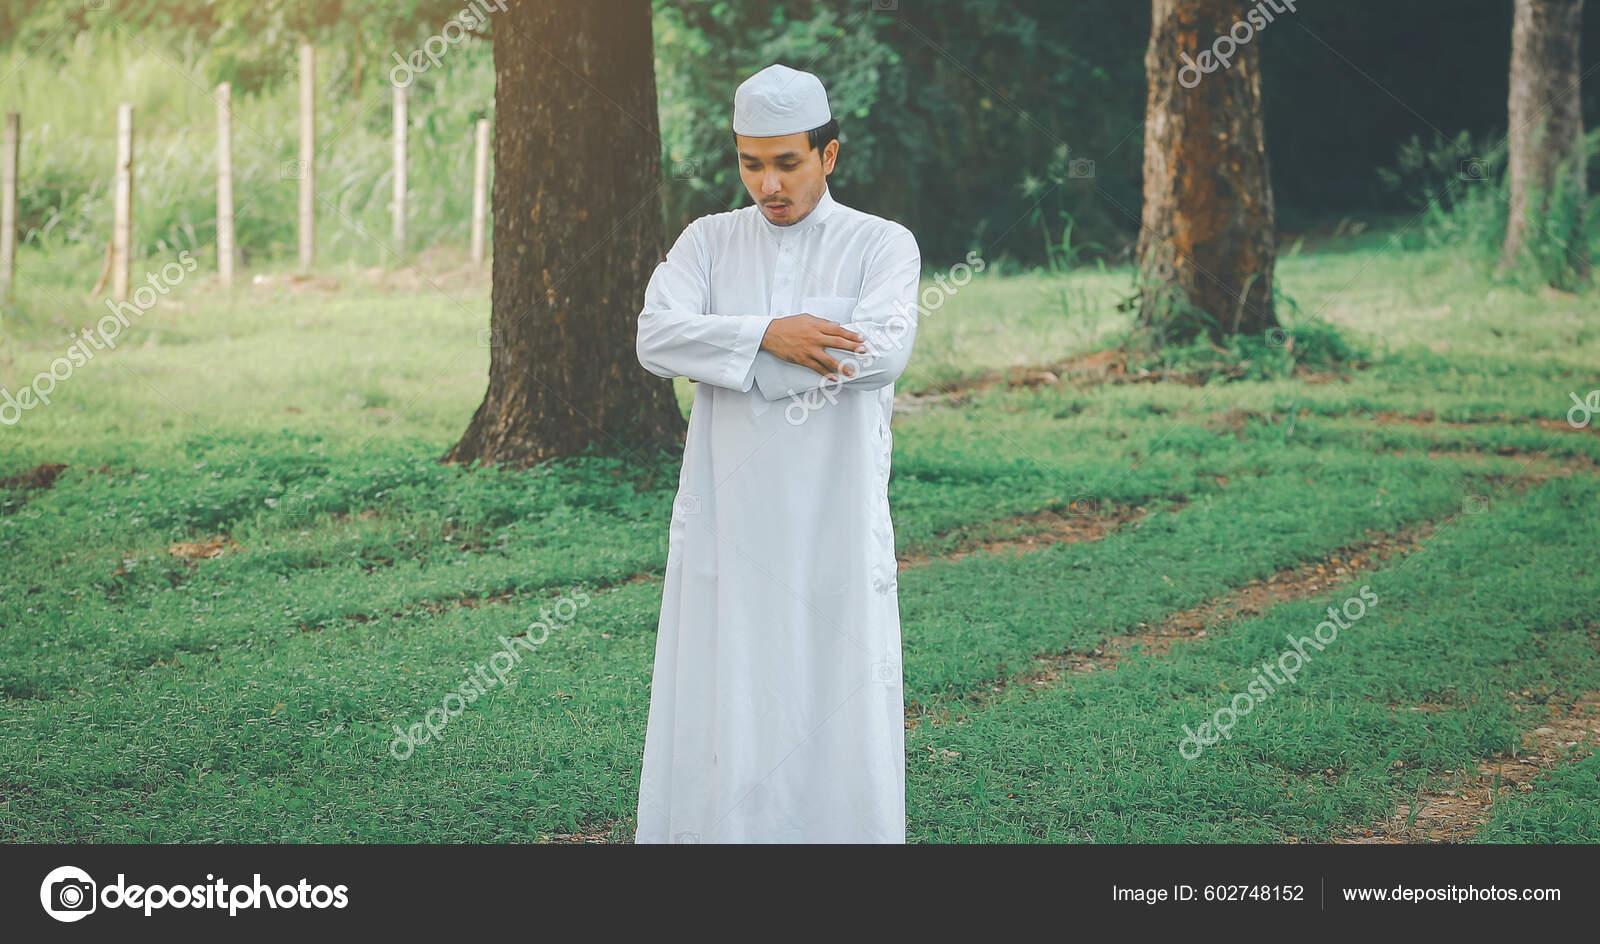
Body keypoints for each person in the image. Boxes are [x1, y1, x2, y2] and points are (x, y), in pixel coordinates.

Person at [632, 63, 922, 843]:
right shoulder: (707, 241)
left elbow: (878, 355)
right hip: (729, 517)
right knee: (730, 682)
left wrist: (731, 358)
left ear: (828, 154)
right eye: (751, 163)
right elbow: (656, 338)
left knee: (835, 684)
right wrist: (769, 333)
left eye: (787, 163)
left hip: (833, 517)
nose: (768, 184)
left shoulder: (881, 244)